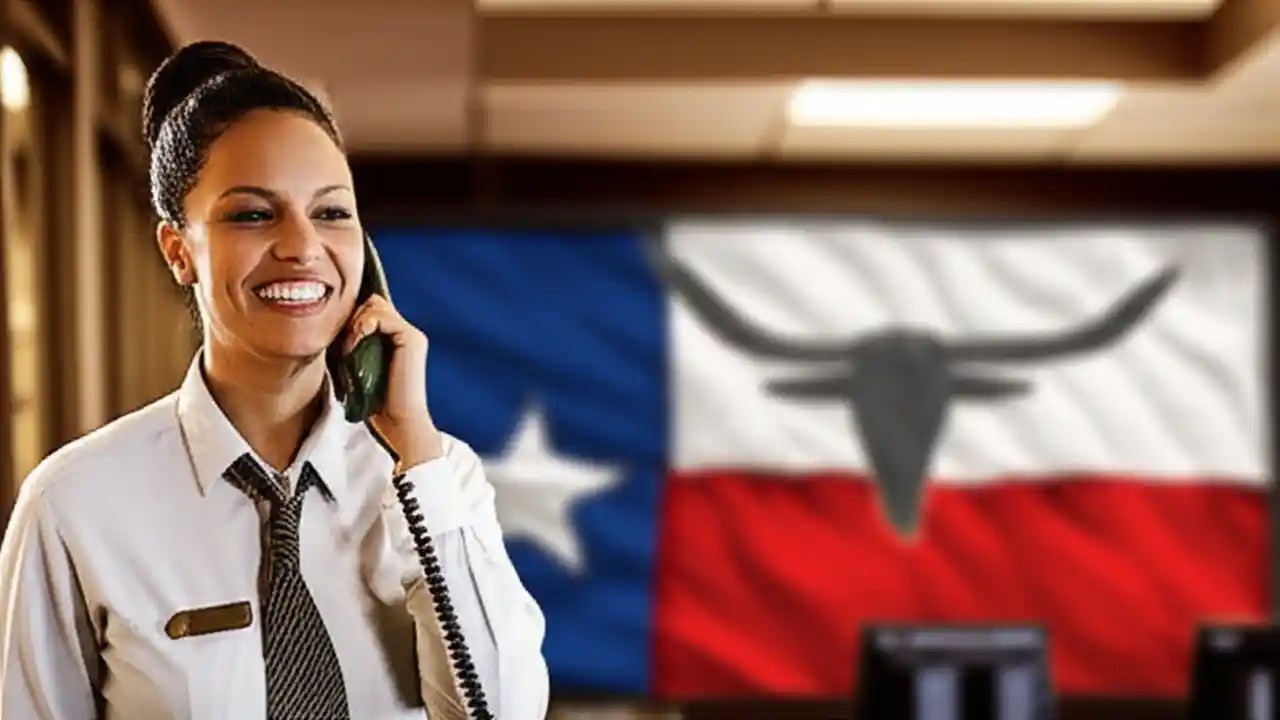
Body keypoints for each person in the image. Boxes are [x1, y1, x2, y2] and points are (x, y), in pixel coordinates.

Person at [0, 40, 548, 719]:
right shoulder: (75, 506)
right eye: (252, 214)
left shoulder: (440, 479)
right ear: (179, 251)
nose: (301, 246)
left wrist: (416, 457)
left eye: (330, 212)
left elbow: (504, 710)